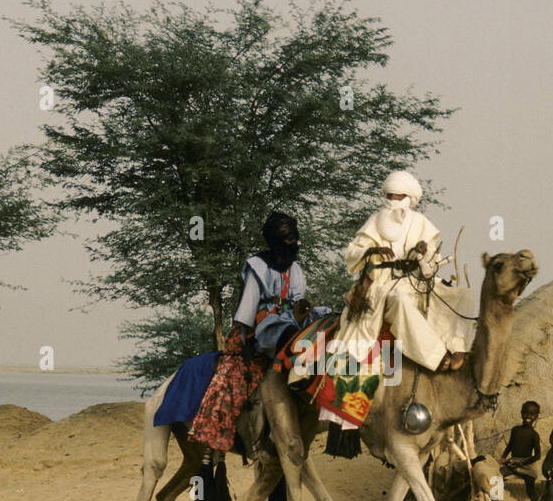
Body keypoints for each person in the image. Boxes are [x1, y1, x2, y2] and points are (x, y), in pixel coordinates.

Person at [191, 212, 316, 453]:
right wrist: (245, 338)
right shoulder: (257, 268)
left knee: (322, 327)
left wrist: (302, 309)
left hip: (292, 321)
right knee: (236, 379)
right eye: (286, 241)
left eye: (294, 240)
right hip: (262, 327)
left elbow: (298, 299)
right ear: (275, 242)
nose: (291, 245)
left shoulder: (296, 270)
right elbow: (248, 309)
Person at [338, 171, 465, 373]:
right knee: (400, 300)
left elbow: (431, 265)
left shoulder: (420, 223)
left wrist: (424, 252)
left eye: (398, 197)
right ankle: (437, 356)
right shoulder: (374, 221)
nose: (393, 202)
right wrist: (371, 250)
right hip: (382, 283)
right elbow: (352, 252)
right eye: (389, 197)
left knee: (460, 295)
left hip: (415, 281)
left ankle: (458, 347)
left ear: (409, 199)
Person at [500, 401, 542, 501]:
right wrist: (504, 457)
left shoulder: (534, 435)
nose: (528, 416)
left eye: (532, 414)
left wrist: (522, 463)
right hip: (513, 462)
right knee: (496, 476)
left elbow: (537, 456)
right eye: (525, 413)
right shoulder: (515, 430)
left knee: (530, 486)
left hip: (526, 465)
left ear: (536, 416)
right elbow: (510, 445)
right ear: (521, 413)